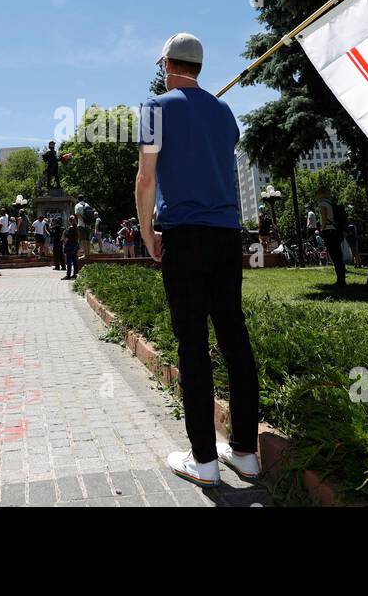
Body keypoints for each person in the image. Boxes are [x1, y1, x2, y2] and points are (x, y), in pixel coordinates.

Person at [137, 32, 260, 487]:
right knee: (234, 339)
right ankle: (246, 452)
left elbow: (146, 177)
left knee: (193, 343)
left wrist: (147, 232)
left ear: (166, 62)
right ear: (200, 67)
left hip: (184, 236)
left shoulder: (154, 108)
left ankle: (204, 460)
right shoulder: (226, 114)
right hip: (226, 236)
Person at [315, 186, 347, 286]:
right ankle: (342, 279)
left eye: (317, 193)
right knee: (338, 256)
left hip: (328, 230)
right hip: (335, 230)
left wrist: (322, 228)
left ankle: (340, 280)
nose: (316, 195)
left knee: (334, 256)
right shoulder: (330, 202)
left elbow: (324, 215)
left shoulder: (322, 203)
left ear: (321, 193)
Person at [60, 213, 79, 280]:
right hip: (75, 245)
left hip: (69, 246)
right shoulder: (76, 228)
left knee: (68, 261)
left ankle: (68, 275)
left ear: (69, 221)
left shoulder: (69, 229)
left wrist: (64, 243)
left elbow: (66, 238)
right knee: (74, 260)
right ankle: (75, 274)